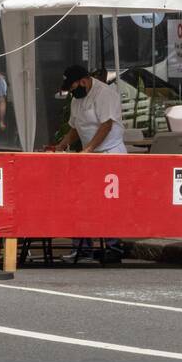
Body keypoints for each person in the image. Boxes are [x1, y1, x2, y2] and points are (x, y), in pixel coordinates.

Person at [54, 64, 126, 264]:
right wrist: (61, 146)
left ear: (84, 81)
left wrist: (89, 149)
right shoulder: (77, 99)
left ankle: (113, 246)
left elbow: (106, 125)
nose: (71, 91)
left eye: (73, 86)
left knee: (109, 203)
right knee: (82, 200)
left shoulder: (104, 94)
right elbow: (75, 128)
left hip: (109, 153)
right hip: (88, 156)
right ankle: (82, 248)